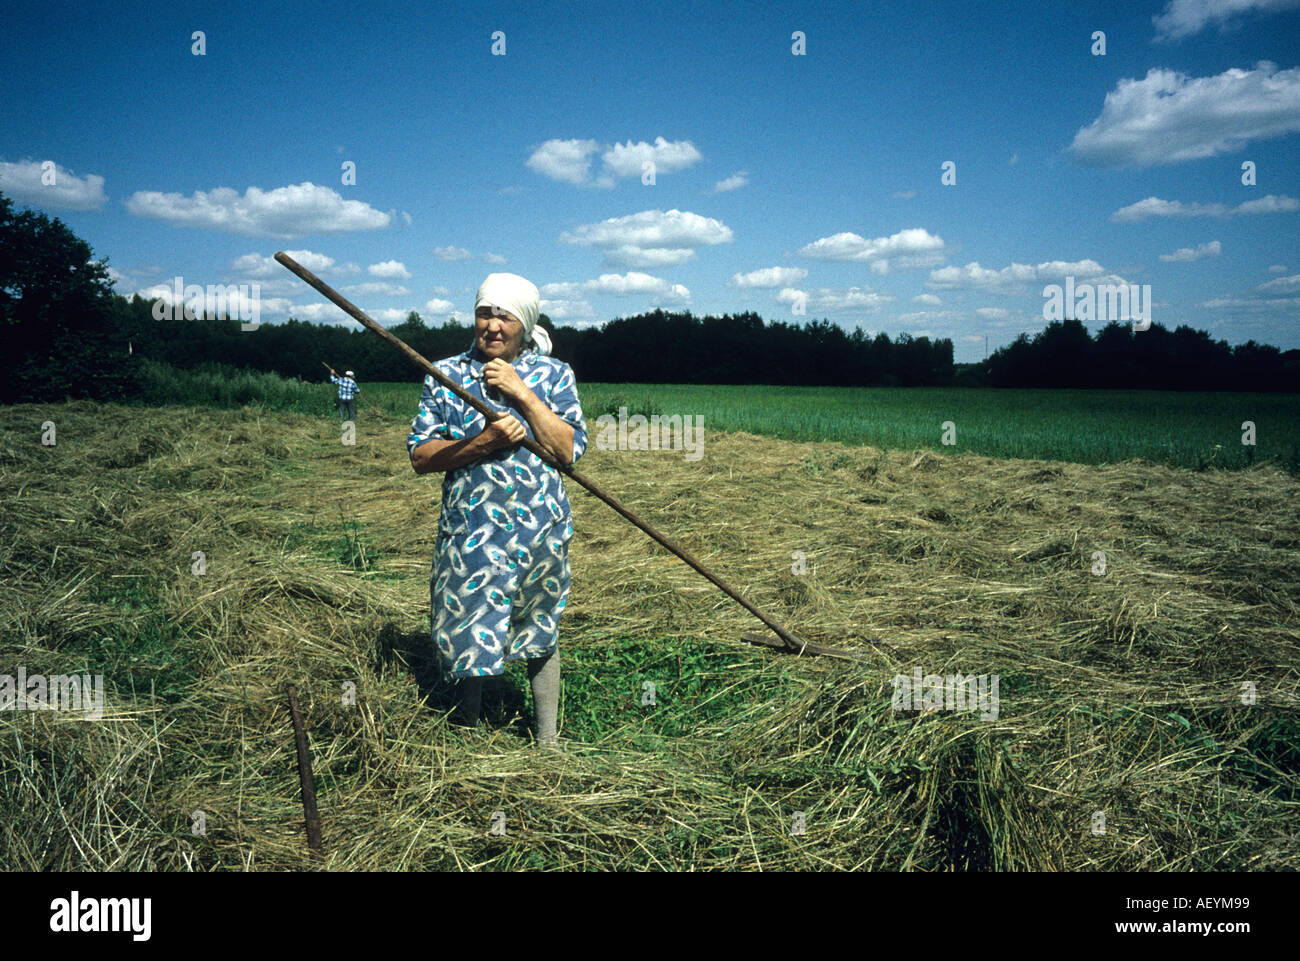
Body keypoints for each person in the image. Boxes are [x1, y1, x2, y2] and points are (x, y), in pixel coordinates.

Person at [407, 273, 587, 748]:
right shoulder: (444, 373)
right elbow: (421, 456)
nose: (492, 325)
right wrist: (483, 444)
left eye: (504, 315)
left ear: (524, 324)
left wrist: (522, 393)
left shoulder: (554, 375)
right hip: (473, 529)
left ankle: (547, 742)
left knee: (540, 625)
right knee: (470, 622)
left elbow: (567, 451)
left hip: (540, 529)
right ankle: (468, 734)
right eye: (485, 312)